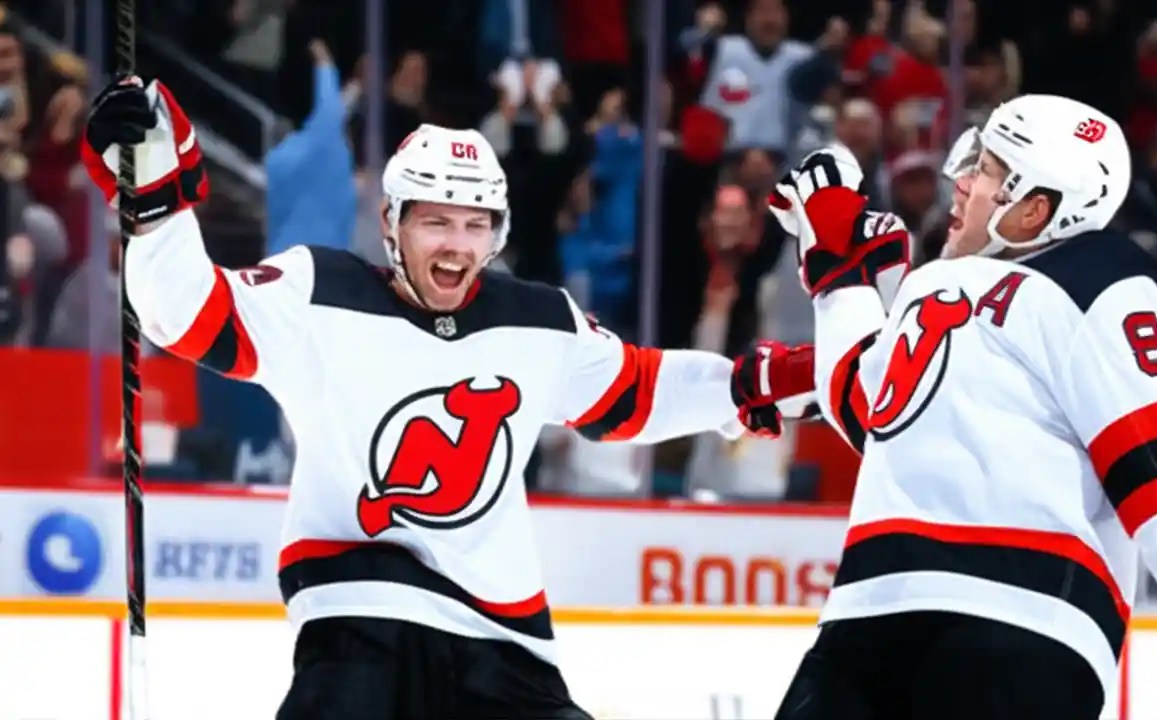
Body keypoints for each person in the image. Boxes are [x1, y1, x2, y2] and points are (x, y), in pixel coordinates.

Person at [81, 75, 812, 720]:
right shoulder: (318, 294)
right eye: (435, 220)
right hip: (358, 612)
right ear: (393, 225)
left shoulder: (540, 320)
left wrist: (751, 386)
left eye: (474, 223)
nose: (457, 244)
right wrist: (156, 199)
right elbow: (186, 313)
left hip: (503, 643)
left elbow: (641, 391)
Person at [763, 94, 1157, 719]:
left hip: (1021, 622)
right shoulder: (929, 285)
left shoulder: (1099, 273)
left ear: (1034, 210)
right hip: (870, 616)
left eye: (989, 169)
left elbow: (1155, 459)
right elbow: (868, 410)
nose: (962, 181)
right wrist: (839, 266)